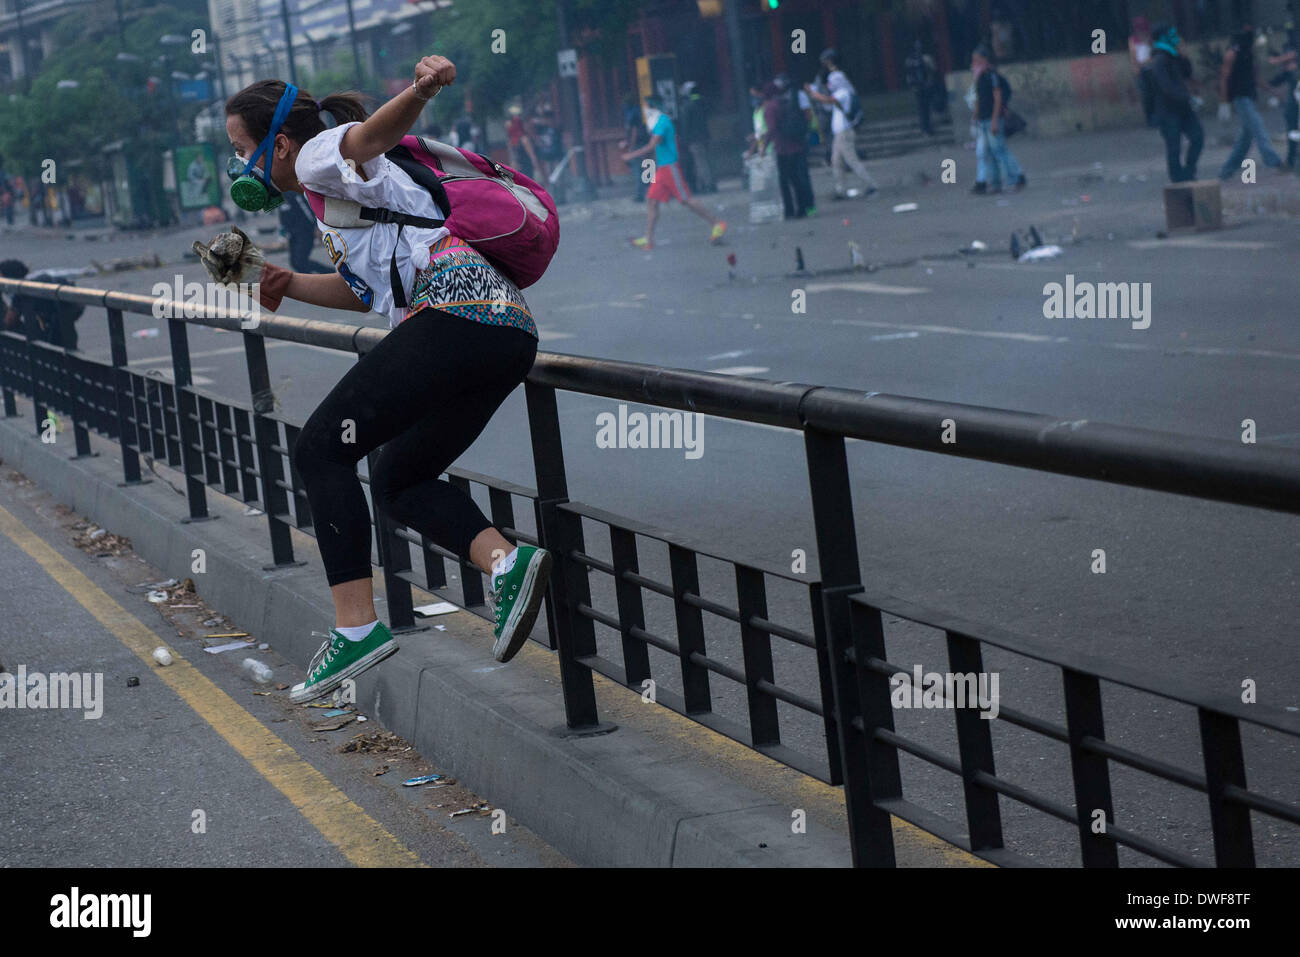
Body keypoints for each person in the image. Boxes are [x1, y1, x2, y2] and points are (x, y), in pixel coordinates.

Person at [220, 56, 553, 703]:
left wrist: (421, 91)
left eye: (242, 151)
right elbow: (366, 291)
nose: (240, 170)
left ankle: (355, 628)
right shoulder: (330, 197)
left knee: (320, 447)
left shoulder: (317, 155)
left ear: (278, 145)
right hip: (502, 332)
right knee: (398, 477)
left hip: (459, 316)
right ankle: (509, 564)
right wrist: (289, 284)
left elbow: (367, 136)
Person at [621, 94, 726, 250]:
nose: (645, 109)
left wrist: (631, 155)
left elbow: (652, 145)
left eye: (647, 106)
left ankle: (717, 223)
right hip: (662, 168)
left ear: (652, 106)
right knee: (651, 201)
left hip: (670, 167)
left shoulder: (663, 122)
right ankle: (648, 239)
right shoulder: (657, 122)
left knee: (686, 200)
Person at [805, 49, 878, 200]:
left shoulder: (843, 93)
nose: (829, 84)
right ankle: (841, 190)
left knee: (851, 160)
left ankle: (871, 185)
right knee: (836, 162)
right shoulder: (841, 91)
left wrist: (813, 94)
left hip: (844, 132)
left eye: (832, 82)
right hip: (839, 132)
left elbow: (828, 100)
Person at [1218, 23, 1284, 180]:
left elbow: (1255, 77)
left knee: (1245, 140)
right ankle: (1273, 161)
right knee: (1259, 129)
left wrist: (1272, 90)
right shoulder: (1232, 53)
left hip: (1249, 97)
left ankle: (1227, 171)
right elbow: (1224, 77)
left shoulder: (1248, 53)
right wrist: (1224, 102)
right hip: (1241, 98)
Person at [1148, 23, 1203, 183]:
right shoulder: (1159, 60)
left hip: (1184, 110)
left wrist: (1184, 55)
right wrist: (1188, 98)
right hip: (1167, 112)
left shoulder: (1174, 57)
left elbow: (1187, 73)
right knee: (1174, 147)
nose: (1177, 38)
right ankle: (1178, 179)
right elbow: (1166, 87)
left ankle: (1189, 171)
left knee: (1198, 137)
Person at [969, 45, 1026, 194]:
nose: (974, 63)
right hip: (983, 119)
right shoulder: (980, 77)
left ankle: (1016, 177)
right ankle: (995, 183)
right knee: (988, 153)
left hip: (991, 119)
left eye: (977, 60)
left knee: (999, 150)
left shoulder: (992, 76)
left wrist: (994, 120)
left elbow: (997, 98)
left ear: (985, 60)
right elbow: (978, 98)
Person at [0, 259, 84, 350]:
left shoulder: (21, 291)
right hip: (66, 329)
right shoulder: (37, 282)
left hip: (48, 336)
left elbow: (9, 321)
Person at [762, 77, 815, 218]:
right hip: (797, 144)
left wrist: (763, 147)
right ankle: (804, 208)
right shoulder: (786, 102)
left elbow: (771, 129)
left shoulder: (770, 108)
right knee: (798, 180)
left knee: (784, 182)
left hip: (783, 149)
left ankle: (789, 210)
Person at [278, 192, 332, 274]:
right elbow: (282, 218)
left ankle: (326, 275)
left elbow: (307, 210)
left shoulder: (293, 194)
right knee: (294, 262)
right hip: (292, 235)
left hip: (305, 232)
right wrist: (283, 235)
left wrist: (316, 227)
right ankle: (326, 274)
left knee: (300, 261)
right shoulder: (278, 197)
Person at [677, 81, 716, 194]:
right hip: (705, 136)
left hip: (694, 139)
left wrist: (684, 139)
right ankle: (709, 183)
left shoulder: (687, 105)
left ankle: (707, 185)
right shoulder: (703, 102)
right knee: (706, 160)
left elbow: (685, 124)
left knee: (700, 163)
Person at [1267, 33, 1299, 168]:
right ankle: (1291, 160)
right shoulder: (1289, 74)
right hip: (1293, 102)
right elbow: (1275, 81)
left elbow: (1294, 53)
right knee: (1291, 126)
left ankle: (1292, 160)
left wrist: (1278, 60)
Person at [619, 93, 650, 201]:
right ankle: (652, 191)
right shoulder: (639, 112)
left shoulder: (632, 114)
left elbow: (634, 131)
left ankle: (640, 194)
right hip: (645, 142)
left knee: (638, 169)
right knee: (647, 166)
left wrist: (631, 147)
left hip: (637, 144)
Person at [905, 40, 937, 135]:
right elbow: (933, 70)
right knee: (925, 108)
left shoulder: (910, 60)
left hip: (920, 87)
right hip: (923, 87)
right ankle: (927, 127)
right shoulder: (923, 59)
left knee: (923, 108)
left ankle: (925, 127)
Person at [1130, 16, 1157, 127]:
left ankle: (1158, 117)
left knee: (1155, 94)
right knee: (1146, 96)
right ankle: (1150, 119)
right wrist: (1136, 67)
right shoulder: (1133, 39)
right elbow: (1133, 55)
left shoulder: (1151, 38)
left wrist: (1147, 40)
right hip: (1142, 70)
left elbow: (1154, 51)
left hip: (1152, 68)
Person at [505, 104, 539, 181]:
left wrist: (512, 164)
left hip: (518, 167)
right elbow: (532, 155)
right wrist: (536, 165)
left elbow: (512, 155)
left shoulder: (511, 141)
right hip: (526, 166)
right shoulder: (524, 139)